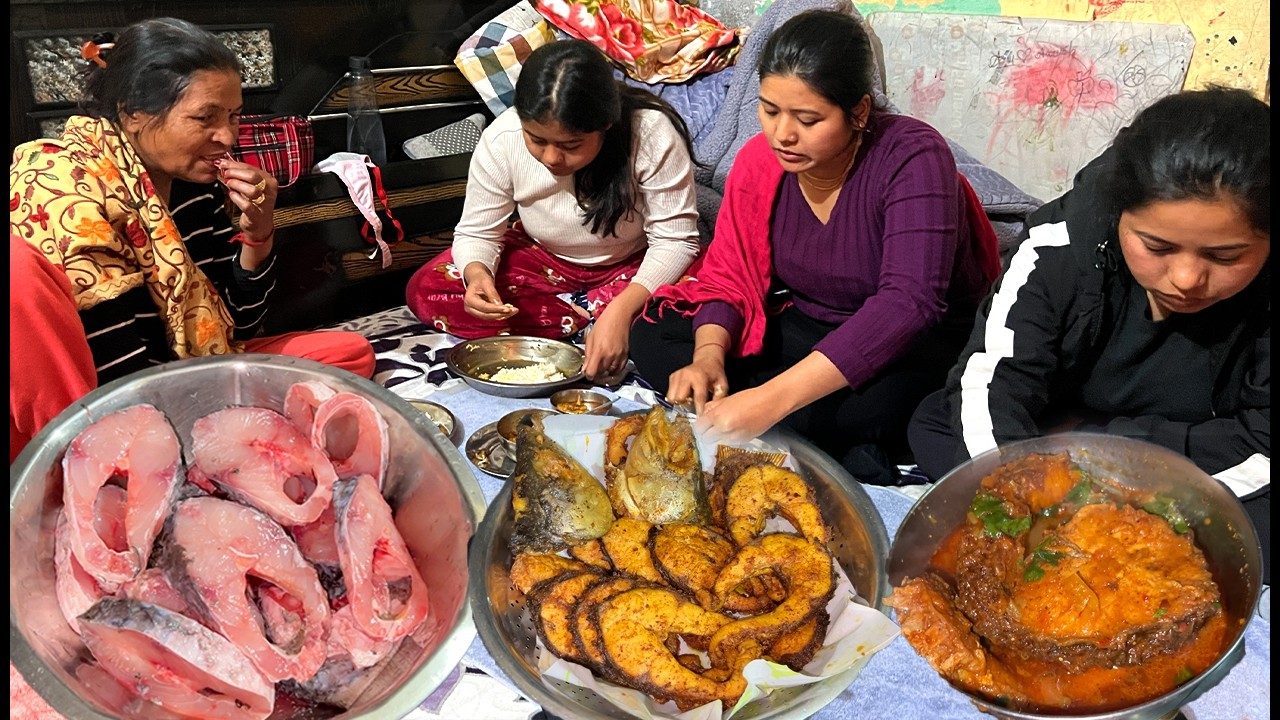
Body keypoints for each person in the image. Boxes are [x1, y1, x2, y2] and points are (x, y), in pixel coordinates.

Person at [907, 87, 1270, 582]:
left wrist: (1132, 480)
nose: (1186, 279)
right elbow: (995, 379)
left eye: (1224, 256)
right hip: (1064, 427)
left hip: (1191, 447)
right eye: (1157, 247)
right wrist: (1017, 498)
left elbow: (1263, 440)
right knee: (938, 422)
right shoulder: (1059, 245)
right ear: (1119, 214)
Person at [629, 9, 1001, 484]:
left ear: (859, 112)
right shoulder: (760, 162)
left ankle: (779, 420)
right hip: (810, 323)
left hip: (907, 344)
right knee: (653, 333)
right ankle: (805, 433)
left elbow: (909, 303)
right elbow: (729, 276)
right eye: (769, 111)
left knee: (882, 407)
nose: (783, 134)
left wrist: (769, 400)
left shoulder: (912, 156)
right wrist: (708, 357)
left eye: (808, 119)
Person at [9, 18, 375, 395]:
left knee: (349, 355)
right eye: (205, 118)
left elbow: (239, 325)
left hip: (189, 366)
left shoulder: (194, 184)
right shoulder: (69, 189)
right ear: (133, 113)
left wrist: (258, 235)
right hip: (106, 392)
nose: (227, 137)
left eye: (233, 116)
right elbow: (119, 373)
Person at [405, 39, 701, 381]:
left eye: (571, 145)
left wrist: (622, 309)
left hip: (633, 266)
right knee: (427, 289)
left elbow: (676, 242)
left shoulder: (651, 134)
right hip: (545, 261)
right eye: (536, 140)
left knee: (709, 294)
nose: (551, 158)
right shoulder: (502, 138)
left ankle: (600, 316)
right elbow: (477, 232)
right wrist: (477, 276)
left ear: (606, 124)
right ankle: (587, 319)